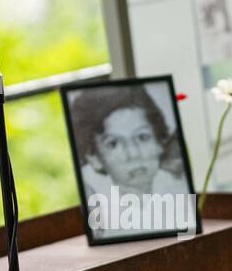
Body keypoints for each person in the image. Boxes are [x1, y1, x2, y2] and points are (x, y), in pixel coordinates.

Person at [69, 84, 192, 230]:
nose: (133, 154)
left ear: (159, 141)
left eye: (142, 137)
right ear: (94, 158)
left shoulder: (182, 194)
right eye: (113, 143)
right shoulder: (98, 212)